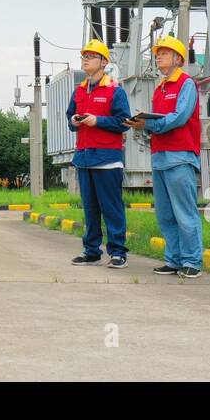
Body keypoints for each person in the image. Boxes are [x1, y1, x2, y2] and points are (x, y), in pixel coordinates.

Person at [127, 35, 203, 278]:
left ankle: (192, 261)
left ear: (178, 59)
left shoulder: (186, 84)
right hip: (160, 157)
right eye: (158, 53)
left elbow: (180, 117)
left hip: (180, 156)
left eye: (164, 53)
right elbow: (160, 120)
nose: (158, 56)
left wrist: (151, 126)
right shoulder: (160, 88)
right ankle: (174, 260)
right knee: (166, 214)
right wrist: (142, 124)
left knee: (185, 212)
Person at [66, 39, 132, 269]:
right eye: (84, 56)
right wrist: (74, 122)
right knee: (90, 209)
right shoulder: (79, 91)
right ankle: (91, 250)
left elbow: (124, 122)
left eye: (91, 56)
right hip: (84, 158)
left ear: (104, 62)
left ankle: (117, 252)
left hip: (107, 159)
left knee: (111, 208)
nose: (85, 59)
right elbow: (70, 118)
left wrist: (98, 121)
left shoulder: (115, 90)